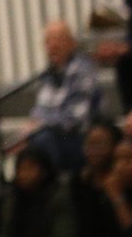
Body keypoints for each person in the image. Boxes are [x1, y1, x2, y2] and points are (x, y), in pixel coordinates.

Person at [22, 20, 103, 173]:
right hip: (51, 136)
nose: (53, 45)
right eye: (48, 41)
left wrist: (40, 126)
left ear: (72, 44)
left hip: (78, 139)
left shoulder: (83, 72)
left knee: (41, 140)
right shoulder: (48, 75)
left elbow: (75, 119)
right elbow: (39, 113)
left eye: (58, 39)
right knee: (17, 145)